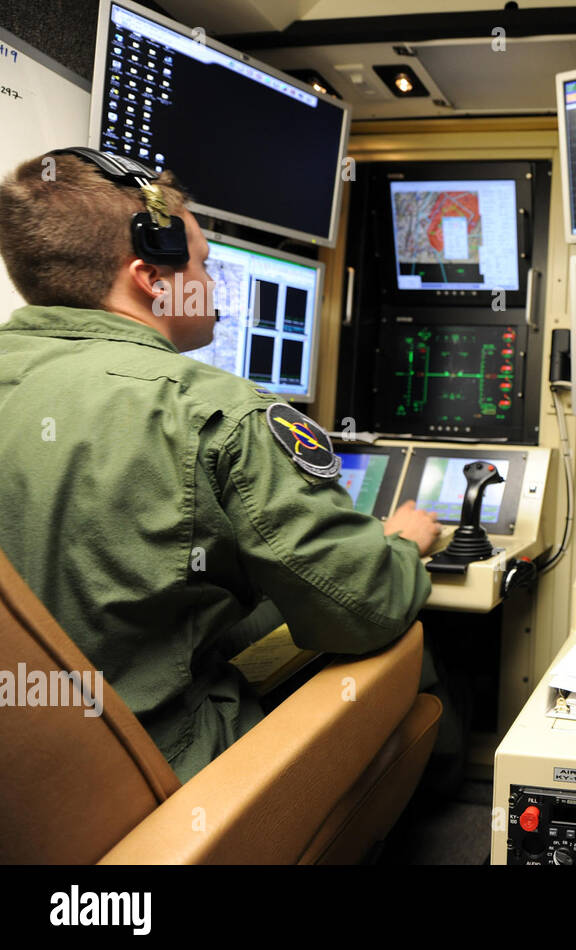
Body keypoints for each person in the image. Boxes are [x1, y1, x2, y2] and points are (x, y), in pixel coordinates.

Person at [0, 149, 441, 783]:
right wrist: (399, 546)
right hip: (154, 774)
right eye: (206, 266)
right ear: (153, 277)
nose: (214, 287)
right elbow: (361, 611)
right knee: (414, 656)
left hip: (33, 783)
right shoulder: (218, 412)